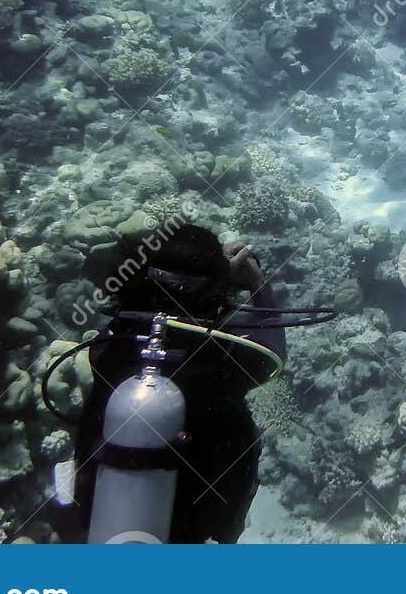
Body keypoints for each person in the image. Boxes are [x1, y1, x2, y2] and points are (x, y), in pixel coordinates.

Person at [54, 224, 326, 543]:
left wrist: (208, 272)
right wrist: (254, 282)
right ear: (213, 292)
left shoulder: (110, 347)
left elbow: (157, 290)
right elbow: (273, 355)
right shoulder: (221, 360)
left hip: (102, 529)